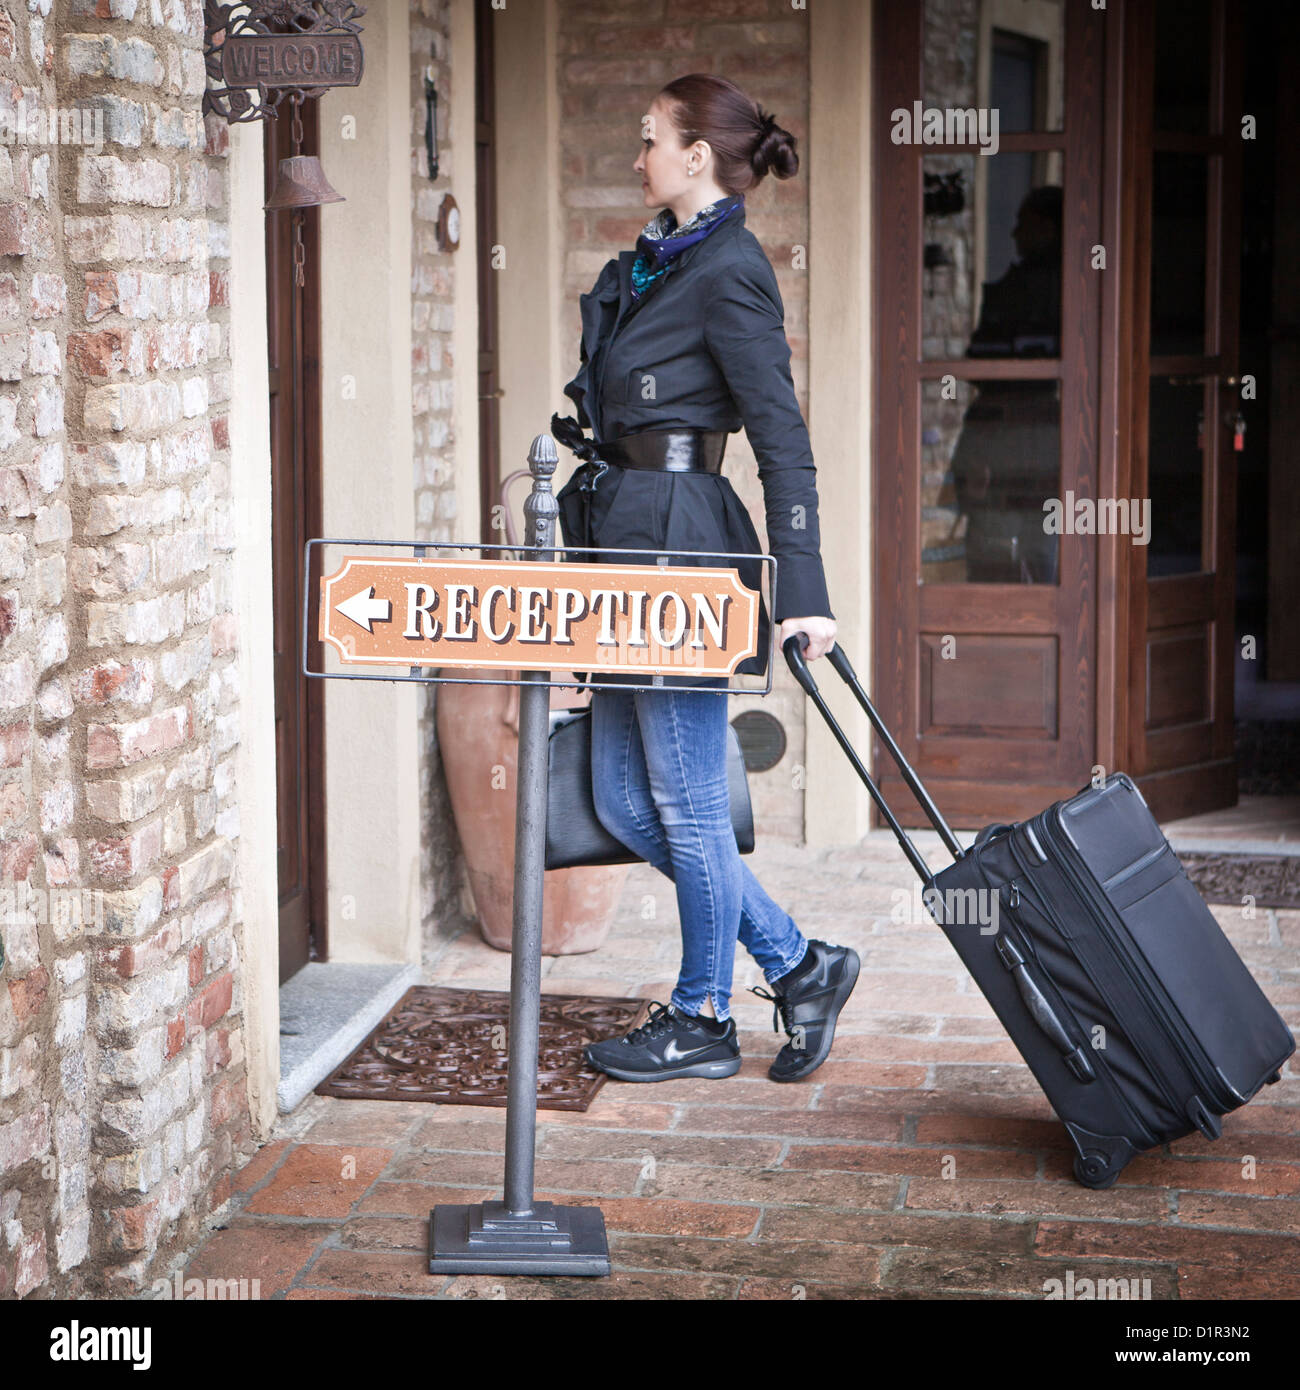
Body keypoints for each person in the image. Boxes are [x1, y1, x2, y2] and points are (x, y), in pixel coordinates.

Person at [551, 74, 859, 1084]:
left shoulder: (728, 268)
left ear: (696, 156)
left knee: (681, 801)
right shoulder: (654, 263)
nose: (634, 158)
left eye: (648, 141)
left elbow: (781, 439)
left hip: (682, 550)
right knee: (620, 798)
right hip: (617, 542)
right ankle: (799, 962)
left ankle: (702, 1014)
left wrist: (802, 588)